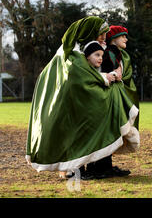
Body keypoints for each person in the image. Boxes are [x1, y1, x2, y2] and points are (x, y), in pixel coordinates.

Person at [26, 16, 139, 178]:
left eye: (105, 33)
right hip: (72, 101)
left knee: (102, 121)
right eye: (100, 33)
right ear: (89, 33)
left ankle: (102, 166)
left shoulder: (87, 48)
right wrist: (106, 78)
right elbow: (79, 75)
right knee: (83, 130)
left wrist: (113, 73)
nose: (103, 37)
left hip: (85, 98)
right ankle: (80, 169)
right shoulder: (73, 52)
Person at [84, 25, 136, 179]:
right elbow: (97, 72)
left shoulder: (111, 51)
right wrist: (111, 74)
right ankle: (96, 168)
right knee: (101, 132)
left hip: (106, 96)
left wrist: (117, 72)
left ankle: (105, 167)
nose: (126, 39)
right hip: (99, 97)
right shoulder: (99, 50)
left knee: (108, 131)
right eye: (123, 36)